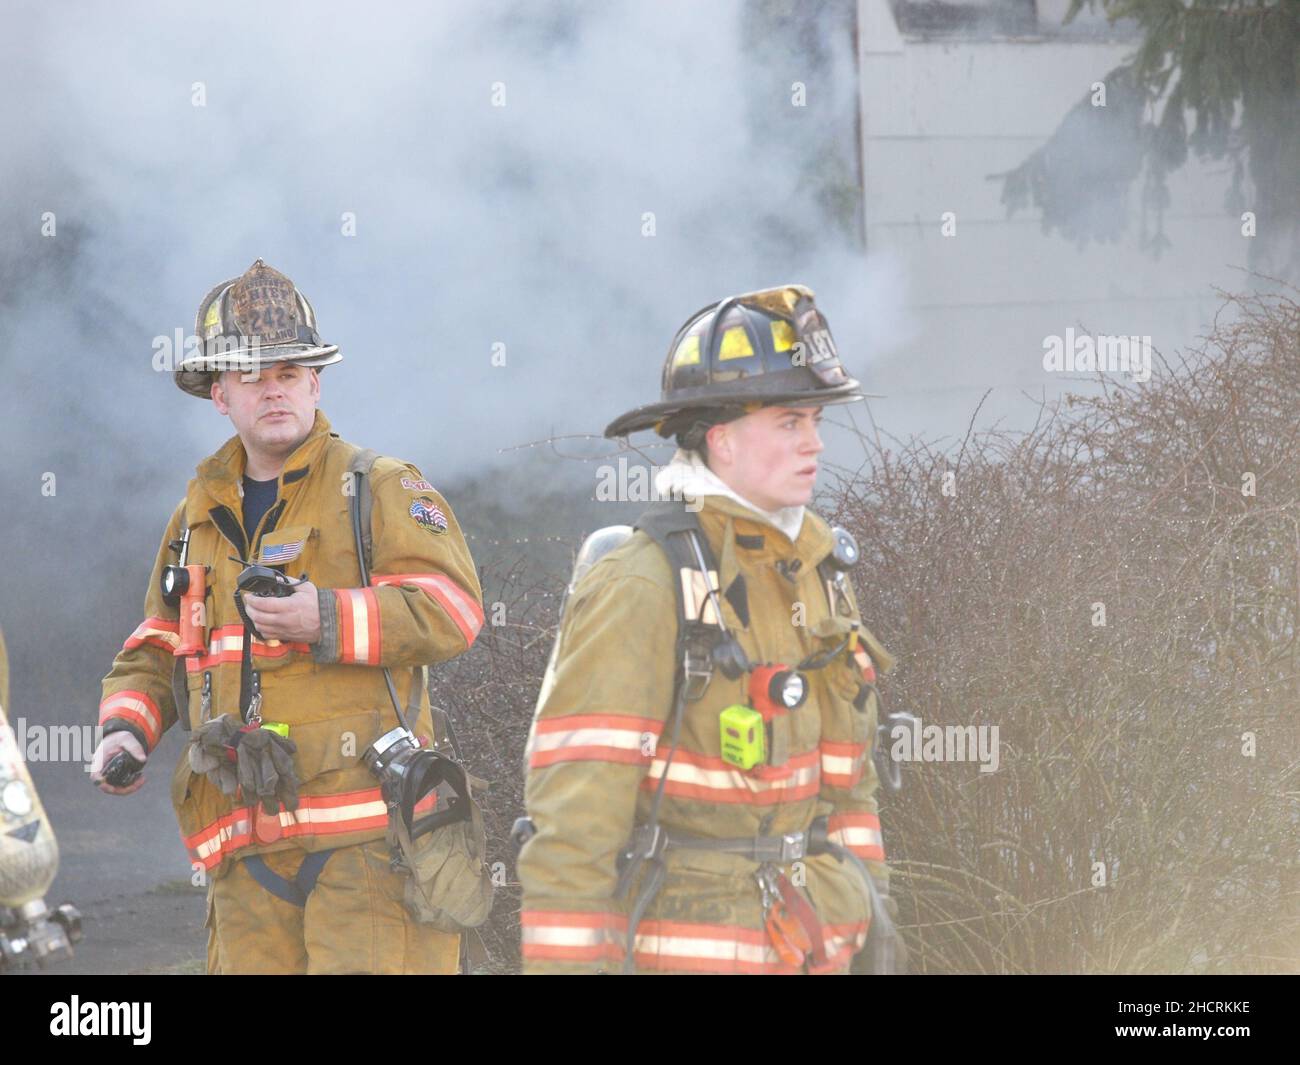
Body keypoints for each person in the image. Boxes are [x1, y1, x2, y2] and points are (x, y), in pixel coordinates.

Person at [88, 259, 484, 974]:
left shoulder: (379, 487)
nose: (274, 388)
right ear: (220, 394)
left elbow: (452, 609)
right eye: (251, 374)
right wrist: (126, 729)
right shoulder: (194, 517)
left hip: (367, 852)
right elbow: (156, 644)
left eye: (290, 371)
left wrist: (324, 619)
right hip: (244, 855)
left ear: (315, 382)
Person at [517, 284, 900, 974]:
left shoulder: (818, 572)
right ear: (721, 439)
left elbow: (851, 793)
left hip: (811, 947)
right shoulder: (643, 580)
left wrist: (872, 922)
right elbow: (574, 829)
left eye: (816, 420)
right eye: (789, 422)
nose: (814, 443)